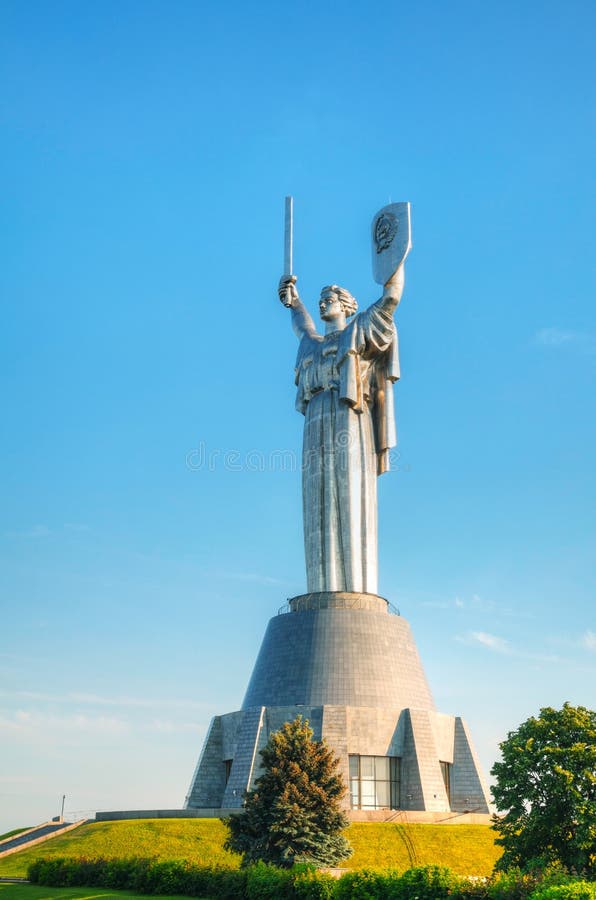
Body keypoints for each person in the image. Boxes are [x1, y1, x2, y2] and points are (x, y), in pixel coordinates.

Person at [278, 268, 404, 595]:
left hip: (349, 412)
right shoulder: (312, 344)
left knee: (350, 494)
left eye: (329, 300)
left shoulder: (358, 331)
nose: (323, 305)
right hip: (316, 419)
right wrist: (294, 301)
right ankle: (324, 589)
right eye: (320, 301)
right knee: (317, 499)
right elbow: (301, 325)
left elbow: (391, 298)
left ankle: (356, 589)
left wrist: (393, 259)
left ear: (346, 306)